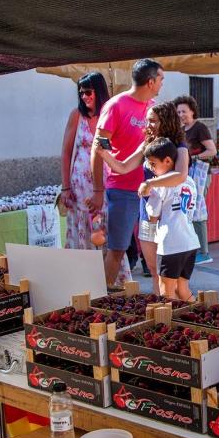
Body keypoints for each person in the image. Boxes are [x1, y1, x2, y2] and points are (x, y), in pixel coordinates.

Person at [95, 102, 189, 293]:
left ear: (166, 121)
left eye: (153, 121)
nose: (148, 125)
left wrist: (149, 183)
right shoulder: (148, 144)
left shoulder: (179, 147)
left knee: (170, 273)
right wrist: (103, 153)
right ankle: (160, 309)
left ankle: (175, 309)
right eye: (147, 121)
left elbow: (180, 175)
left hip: (171, 214)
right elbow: (122, 167)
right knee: (154, 269)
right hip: (147, 212)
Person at [92, 58, 164, 289]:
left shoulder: (152, 107)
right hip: (122, 189)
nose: (162, 83)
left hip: (150, 189)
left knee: (153, 246)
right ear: (151, 81)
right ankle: (100, 296)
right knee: (117, 247)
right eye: (161, 79)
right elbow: (98, 147)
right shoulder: (117, 105)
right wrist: (97, 190)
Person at [143, 138, 201, 300]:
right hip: (190, 242)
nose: (151, 169)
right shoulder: (189, 181)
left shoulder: (158, 185)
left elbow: (153, 216)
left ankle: (170, 325)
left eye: (153, 164)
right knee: (182, 290)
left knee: (166, 294)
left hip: (170, 245)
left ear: (167, 161)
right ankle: (195, 319)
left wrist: (148, 194)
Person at [60, 72, 110, 250]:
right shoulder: (77, 115)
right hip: (79, 188)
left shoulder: (108, 115)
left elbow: (110, 150)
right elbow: (65, 153)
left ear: (99, 90)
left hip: (104, 185)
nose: (84, 97)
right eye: (81, 93)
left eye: (88, 92)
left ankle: (109, 276)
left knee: (104, 233)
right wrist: (65, 187)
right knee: (81, 232)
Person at [176, 95, 217, 265]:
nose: (181, 114)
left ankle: (204, 252)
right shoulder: (181, 130)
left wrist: (194, 157)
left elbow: (212, 150)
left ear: (192, 111)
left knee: (198, 210)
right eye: (178, 111)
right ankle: (193, 249)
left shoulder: (200, 128)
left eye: (184, 111)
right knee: (189, 211)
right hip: (187, 175)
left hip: (200, 174)